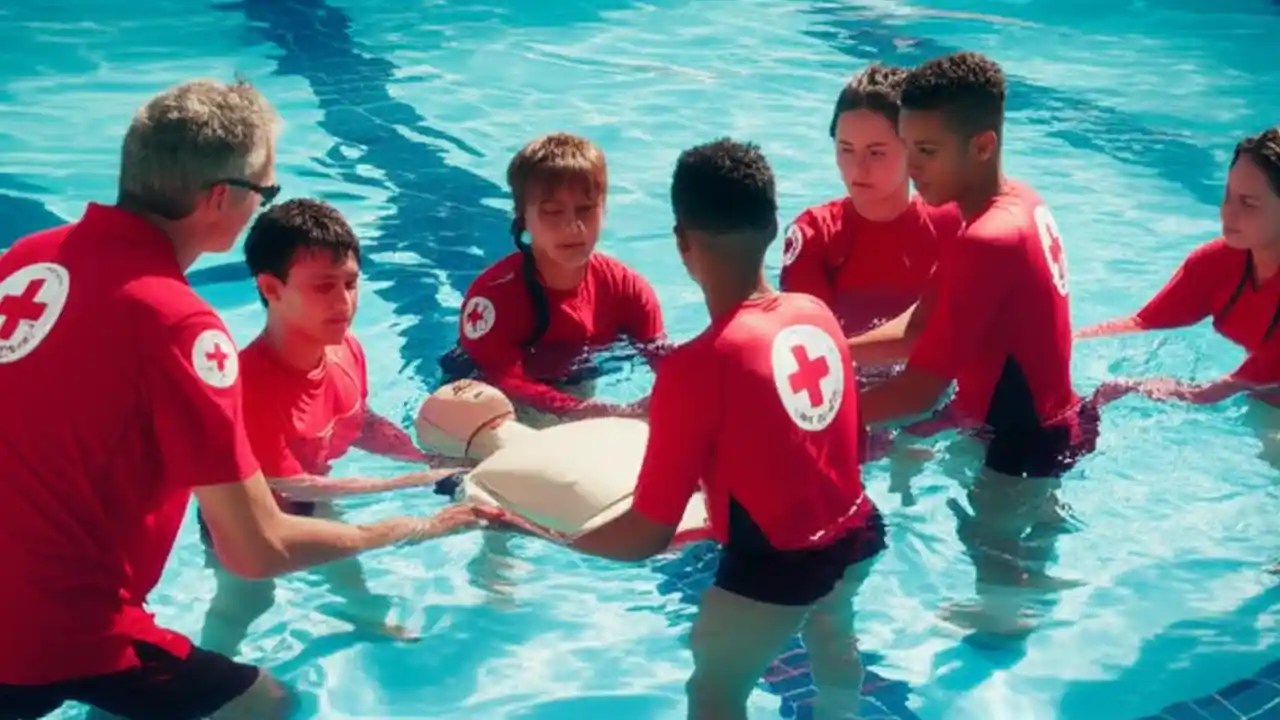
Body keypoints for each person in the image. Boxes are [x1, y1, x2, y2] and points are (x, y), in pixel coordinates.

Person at [0, 79, 502, 720]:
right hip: (59, 632)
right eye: (265, 192)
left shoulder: (27, 261)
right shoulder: (179, 325)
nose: (263, 206)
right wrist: (417, 527)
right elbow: (255, 548)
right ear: (219, 199)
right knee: (273, 706)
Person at [558, 138, 885, 720]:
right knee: (834, 644)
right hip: (858, 534)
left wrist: (552, 539)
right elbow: (842, 445)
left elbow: (647, 534)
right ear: (771, 226)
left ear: (683, 244)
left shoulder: (696, 366)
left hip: (772, 572)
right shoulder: (816, 314)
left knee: (713, 693)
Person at [852, 52, 1097, 634]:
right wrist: (835, 351)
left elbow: (920, 391)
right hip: (1052, 426)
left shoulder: (987, 239)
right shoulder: (1015, 204)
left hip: (1018, 446)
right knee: (1030, 550)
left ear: (982, 145)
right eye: (907, 146)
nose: (911, 167)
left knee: (993, 585)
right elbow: (918, 327)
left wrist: (801, 420)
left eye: (928, 152)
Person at [197, 198, 477, 657]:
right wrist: (413, 482)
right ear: (271, 288)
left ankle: (365, 618)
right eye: (324, 287)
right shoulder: (249, 389)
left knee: (348, 569)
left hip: (312, 498)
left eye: (350, 283)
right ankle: (196, 684)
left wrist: (428, 460)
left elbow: (359, 421)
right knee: (245, 602)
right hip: (244, 521)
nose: (344, 302)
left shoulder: (347, 351)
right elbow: (294, 483)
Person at [444, 132, 666, 424]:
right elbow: (507, 381)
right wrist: (585, 411)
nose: (573, 226)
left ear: (605, 210)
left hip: (571, 388)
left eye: (586, 209)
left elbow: (663, 358)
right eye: (552, 211)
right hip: (489, 402)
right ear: (523, 217)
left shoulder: (626, 289)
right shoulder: (493, 298)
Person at [1080, 127, 1280, 406]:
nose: (1227, 212)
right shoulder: (1219, 261)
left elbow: (1221, 390)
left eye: (1248, 203)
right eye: (1228, 196)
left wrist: (1134, 387)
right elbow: (1143, 323)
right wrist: (1065, 341)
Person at [781, 62, 961, 346]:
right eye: (846, 149)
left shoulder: (951, 226)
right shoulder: (816, 233)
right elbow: (808, 344)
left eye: (875, 153)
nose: (857, 168)